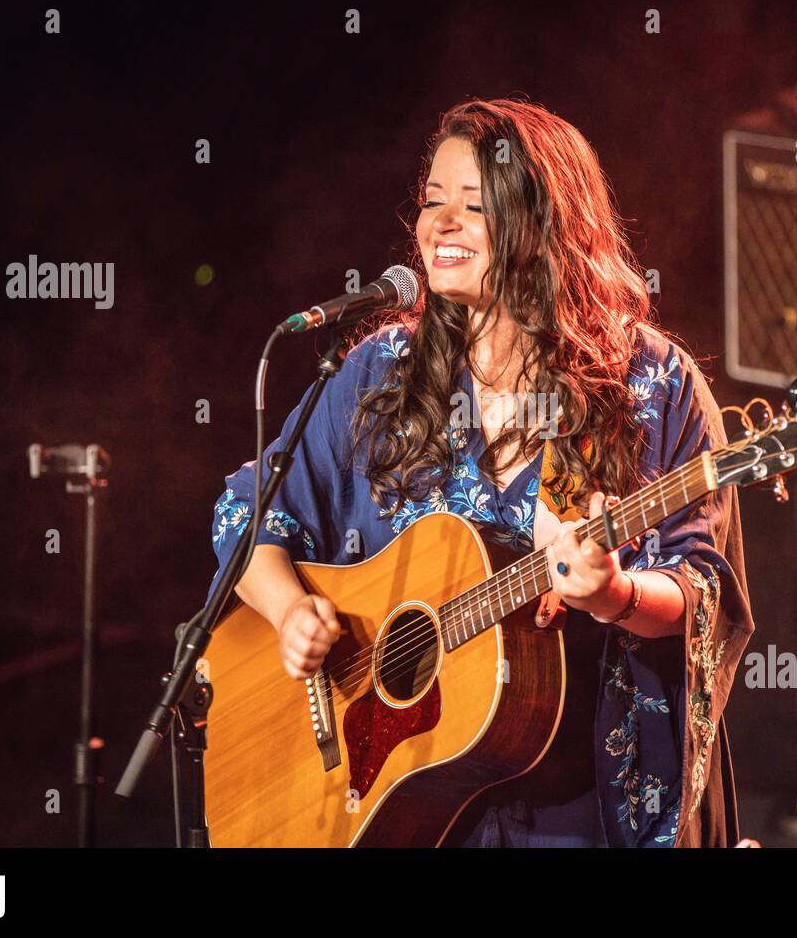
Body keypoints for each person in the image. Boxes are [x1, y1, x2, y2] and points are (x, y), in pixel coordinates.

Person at [206, 97, 754, 847]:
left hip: (579, 811)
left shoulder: (648, 384)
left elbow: (701, 592)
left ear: (544, 223)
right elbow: (250, 511)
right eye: (433, 201)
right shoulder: (381, 371)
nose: (441, 223)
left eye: (474, 203)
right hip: (416, 812)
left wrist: (613, 593)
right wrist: (289, 610)